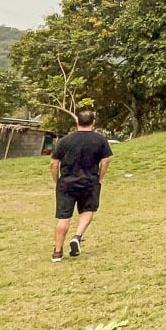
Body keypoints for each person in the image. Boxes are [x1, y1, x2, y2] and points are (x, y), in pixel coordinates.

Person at [50, 110, 113, 262]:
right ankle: (77, 236)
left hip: (67, 182)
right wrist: (100, 178)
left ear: (77, 122)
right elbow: (105, 161)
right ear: (93, 123)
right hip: (90, 181)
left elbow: (54, 163)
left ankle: (58, 252)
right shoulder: (100, 140)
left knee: (64, 217)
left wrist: (56, 180)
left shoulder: (65, 140)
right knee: (87, 210)